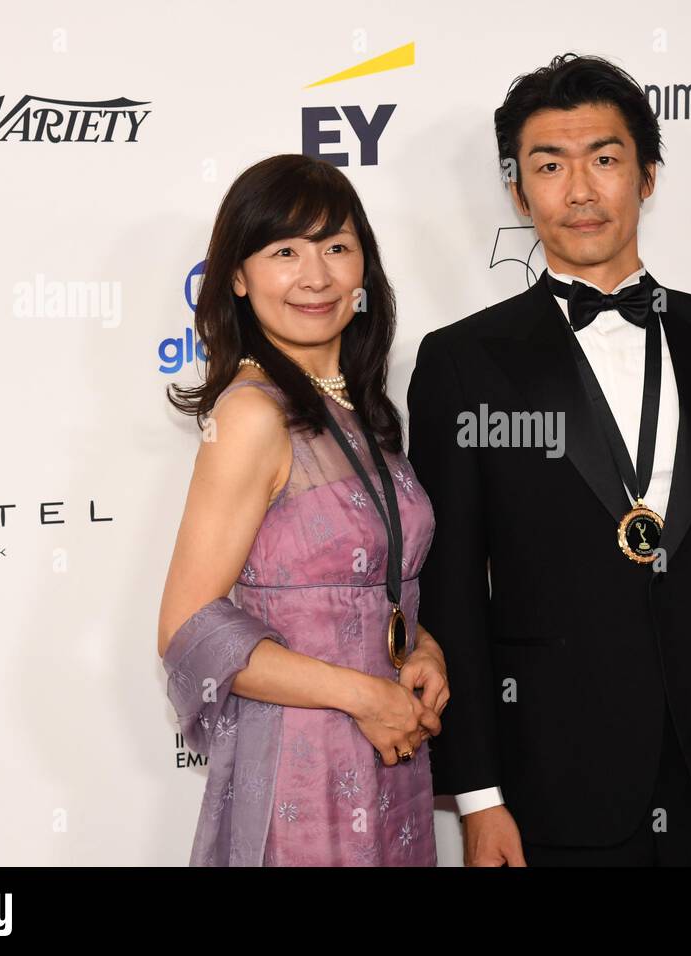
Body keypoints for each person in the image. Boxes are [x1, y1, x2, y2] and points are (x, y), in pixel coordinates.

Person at [407, 54, 691, 866]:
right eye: (549, 165)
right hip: (554, 782)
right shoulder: (464, 361)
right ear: (516, 189)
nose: (578, 190)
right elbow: (453, 586)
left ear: (647, 176)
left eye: (604, 159)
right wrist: (479, 796)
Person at [158, 154, 447, 866]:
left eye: (336, 248)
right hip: (301, 768)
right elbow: (188, 629)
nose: (315, 276)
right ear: (236, 276)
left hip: (388, 752)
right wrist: (361, 695)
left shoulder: (360, 407)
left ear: (364, 271)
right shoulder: (253, 414)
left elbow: (358, 588)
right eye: (284, 251)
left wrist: (423, 648)